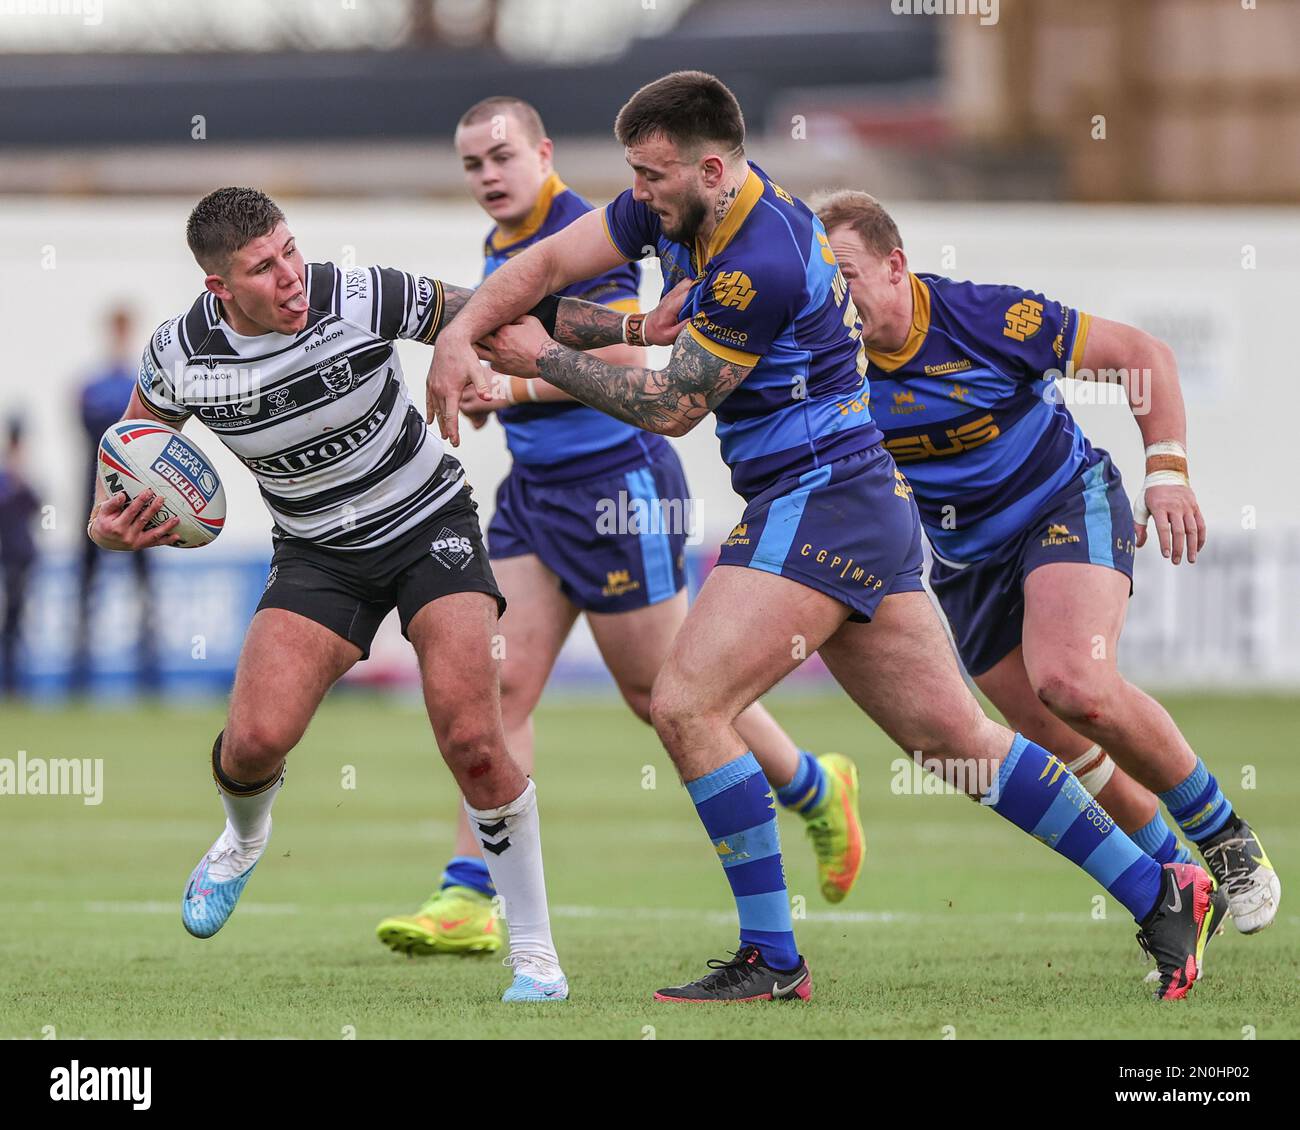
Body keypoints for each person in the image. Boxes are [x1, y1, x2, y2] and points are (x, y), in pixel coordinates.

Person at [428, 71, 1227, 1002]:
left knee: (687, 704)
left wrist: (538, 356)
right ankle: (1160, 889)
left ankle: (771, 955)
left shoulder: (759, 256)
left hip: (820, 499)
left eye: (649, 177)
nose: (636, 194)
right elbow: (543, 269)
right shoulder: (683, 207)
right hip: (854, 502)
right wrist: (477, 323)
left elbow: (674, 404)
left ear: (711, 169)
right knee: (957, 740)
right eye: (634, 177)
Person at [85, 186, 679, 1002]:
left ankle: (536, 955)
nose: (292, 275)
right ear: (219, 288)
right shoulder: (178, 355)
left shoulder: (354, 293)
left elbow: (502, 309)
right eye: (265, 267)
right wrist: (106, 526)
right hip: (317, 554)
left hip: (430, 524)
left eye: (292, 250)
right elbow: (132, 457)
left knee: (475, 735)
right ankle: (243, 839)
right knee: (254, 743)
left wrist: (632, 327)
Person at [375, 96, 864, 960]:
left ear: (544, 153)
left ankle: (813, 785)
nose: (487, 176)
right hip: (535, 491)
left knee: (663, 697)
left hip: (617, 490)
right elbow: (516, 341)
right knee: (499, 687)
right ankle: (469, 890)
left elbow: (633, 359)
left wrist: (512, 384)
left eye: (500, 156)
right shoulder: (500, 248)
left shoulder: (579, 223)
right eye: (471, 165)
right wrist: (489, 387)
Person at [812, 189, 1279, 934]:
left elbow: (1141, 355)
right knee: (1060, 744)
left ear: (895, 266)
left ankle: (1224, 836)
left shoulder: (985, 316)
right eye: (818, 280)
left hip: (1064, 504)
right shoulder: (826, 363)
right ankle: (1177, 877)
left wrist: (1167, 471)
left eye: (845, 274)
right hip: (966, 563)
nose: (832, 296)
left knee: (1073, 683)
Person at [74, 306, 159, 693]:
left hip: (140, 501)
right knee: (87, 587)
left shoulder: (139, 383)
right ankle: (79, 673)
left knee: (144, 588)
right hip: (95, 499)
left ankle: (149, 672)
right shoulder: (92, 386)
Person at [0, 419, 39, 697]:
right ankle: (11, 682)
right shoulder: (6, 478)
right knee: (10, 622)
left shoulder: (22, 477)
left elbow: (37, 504)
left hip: (23, 557)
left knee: (18, 621)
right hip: (9, 556)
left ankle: (16, 683)